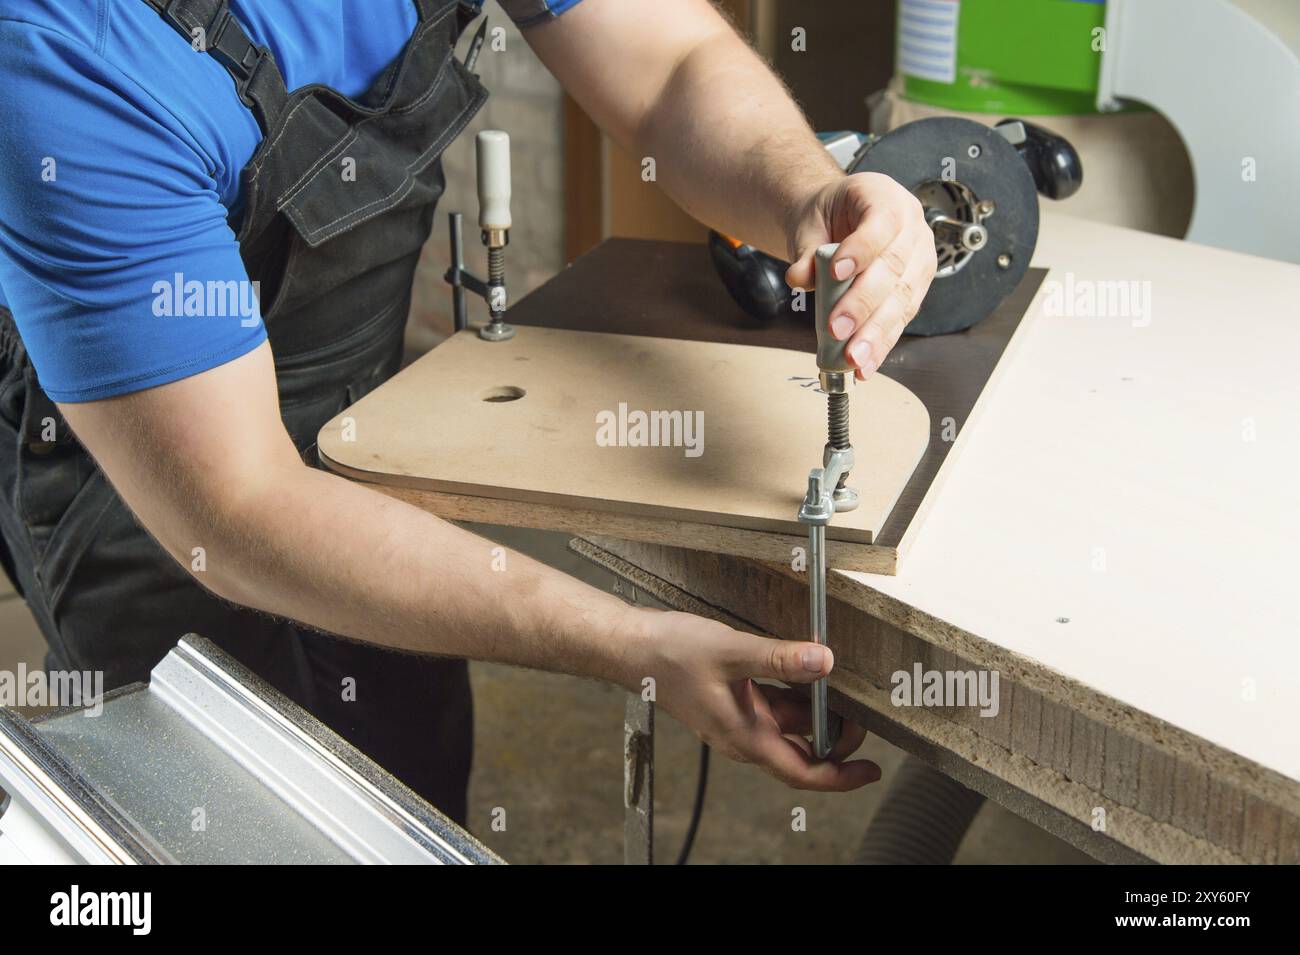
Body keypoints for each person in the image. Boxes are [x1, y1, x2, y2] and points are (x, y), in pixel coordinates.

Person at [0, 0, 937, 824]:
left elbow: (668, 69)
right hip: (146, 471)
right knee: (230, 806)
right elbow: (238, 507)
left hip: (357, 427)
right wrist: (631, 642)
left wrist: (807, 193)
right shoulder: (64, 53)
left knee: (407, 777)